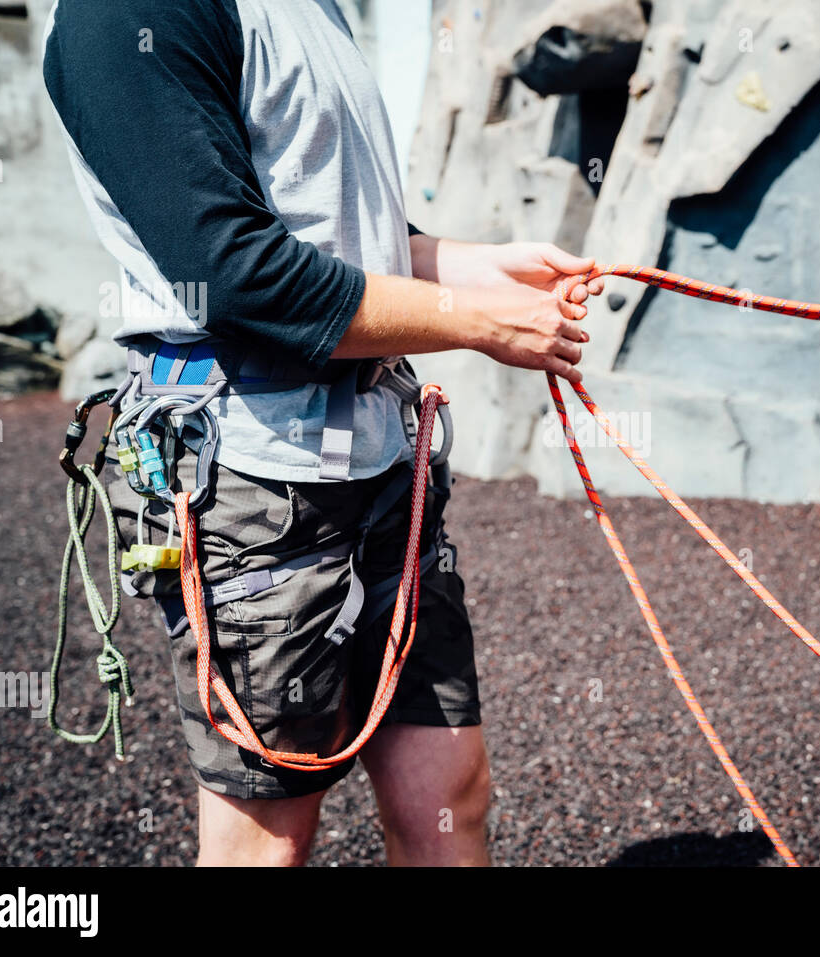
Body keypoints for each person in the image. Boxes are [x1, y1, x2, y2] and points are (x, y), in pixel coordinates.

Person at [42, 0, 603, 866]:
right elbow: (238, 279)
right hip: (249, 484)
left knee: (450, 793)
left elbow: (334, 236)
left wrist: (474, 265)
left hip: (386, 465)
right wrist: (475, 321)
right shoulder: (126, 16)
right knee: (264, 842)